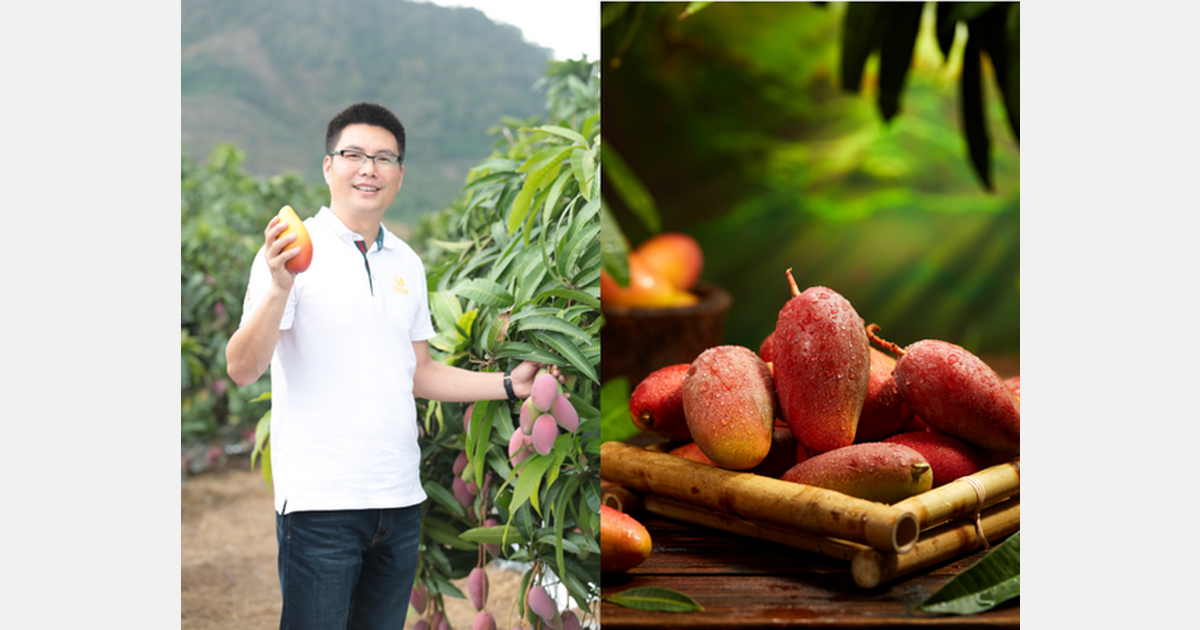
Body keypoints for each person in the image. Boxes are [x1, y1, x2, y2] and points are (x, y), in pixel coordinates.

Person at [226, 102, 556, 629]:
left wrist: (509, 385)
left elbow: (418, 372)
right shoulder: (290, 254)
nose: (368, 168)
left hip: (399, 503)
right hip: (321, 505)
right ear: (328, 165)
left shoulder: (407, 261)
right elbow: (242, 367)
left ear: (400, 175)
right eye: (354, 154)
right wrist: (280, 286)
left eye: (384, 158)